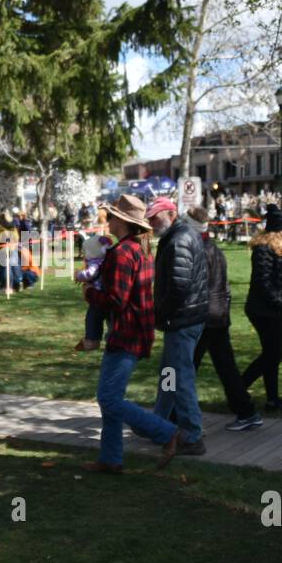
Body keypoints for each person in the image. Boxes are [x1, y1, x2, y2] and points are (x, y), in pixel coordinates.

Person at [82, 194, 184, 474]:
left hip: (127, 332)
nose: (108, 220)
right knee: (109, 398)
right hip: (133, 331)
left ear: (123, 222)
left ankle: (166, 432)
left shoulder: (123, 253)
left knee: (109, 399)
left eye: (111, 216)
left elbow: (116, 299)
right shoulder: (138, 249)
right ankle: (111, 459)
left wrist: (89, 292)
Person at [185, 207, 263, 432]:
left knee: (181, 366)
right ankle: (246, 410)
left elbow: (195, 286)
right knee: (226, 366)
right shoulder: (214, 249)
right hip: (218, 315)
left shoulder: (199, 250)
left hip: (204, 317)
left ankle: (171, 414)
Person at [146, 196, 209, 460]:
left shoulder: (179, 239)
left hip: (183, 319)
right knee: (170, 373)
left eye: (155, 217)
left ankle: (192, 435)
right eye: (149, 218)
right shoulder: (178, 235)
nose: (151, 222)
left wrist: (158, 313)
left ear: (170, 214)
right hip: (185, 318)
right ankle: (157, 424)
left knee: (179, 377)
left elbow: (179, 287)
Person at [242, 206, 282, 411]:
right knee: (272, 356)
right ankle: (239, 388)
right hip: (265, 310)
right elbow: (262, 281)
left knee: (272, 355)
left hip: (271, 310)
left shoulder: (276, 247)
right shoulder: (264, 248)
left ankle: (272, 399)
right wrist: (279, 302)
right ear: (281, 229)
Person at [74, 233, 113, 351]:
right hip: (108, 296)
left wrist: (78, 276)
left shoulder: (95, 262)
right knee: (110, 321)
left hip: (97, 297)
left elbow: (90, 273)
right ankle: (110, 339)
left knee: (92, 318)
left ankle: (91, 340)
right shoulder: (108, 260)